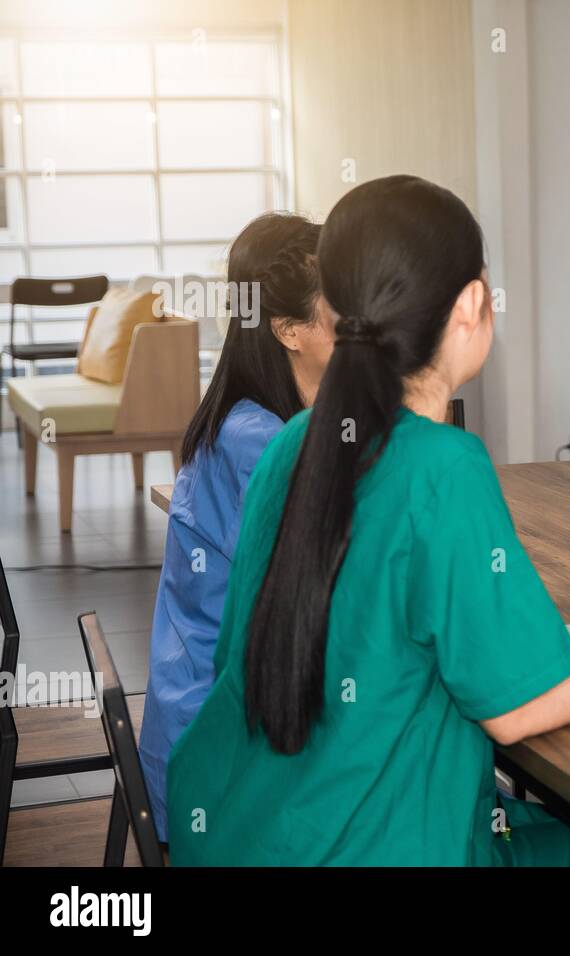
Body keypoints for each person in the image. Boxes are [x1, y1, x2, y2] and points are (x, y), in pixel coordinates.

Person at [166, 175, 570, 866]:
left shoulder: (293, 442)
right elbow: (513, 713)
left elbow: (375, 631)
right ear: (472, 306)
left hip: (249, 829)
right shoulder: (445, 467)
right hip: (380, 843)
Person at [139, 213, 335, 842]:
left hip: (218, 721)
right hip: (223, 754)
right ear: (288, 330)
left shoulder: (259, 416)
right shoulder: (258, 441)